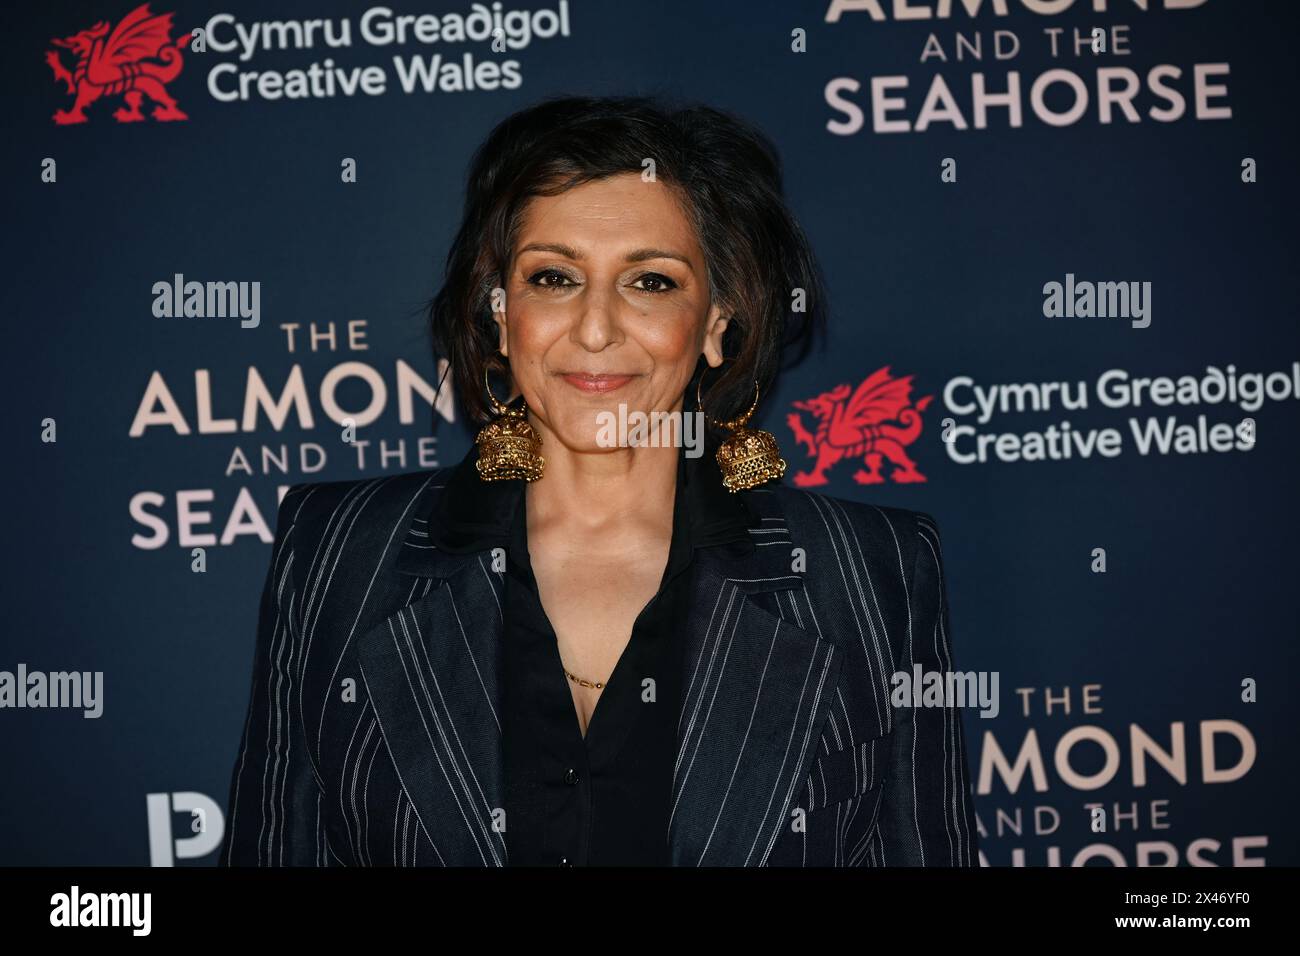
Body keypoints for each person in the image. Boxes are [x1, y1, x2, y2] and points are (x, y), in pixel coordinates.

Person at [219, 95, 978, 867]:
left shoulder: (868, 570)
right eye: (553, 277)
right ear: (499, 312)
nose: (594, 328)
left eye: (650, 282)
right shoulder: (339, 552)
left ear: (718, 322)